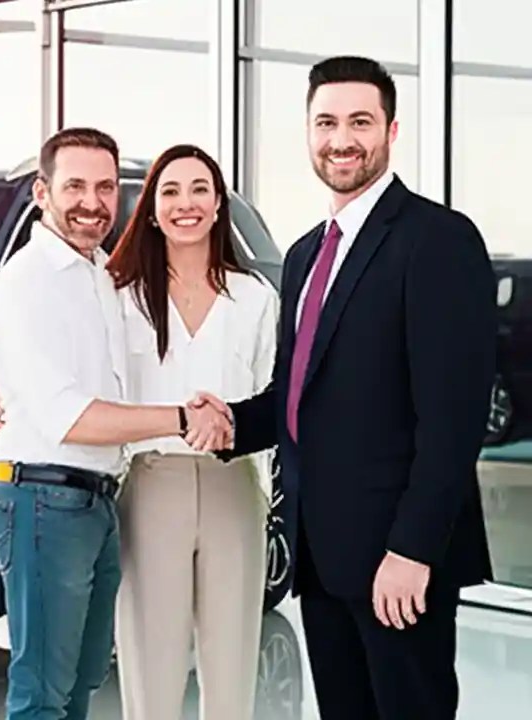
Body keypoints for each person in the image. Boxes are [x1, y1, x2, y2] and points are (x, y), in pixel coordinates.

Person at [192, 56, 496, 720]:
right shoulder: (304, 255)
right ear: (307, 133)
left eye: (360, 121)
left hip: (396, 557)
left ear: (391, 131)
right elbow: (301, 395)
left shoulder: (437, 240)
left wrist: (413, 549)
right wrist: (234, 424)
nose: (341, 139)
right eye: (326, 122)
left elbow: (454, 420)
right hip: (321, 553)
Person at [0, 143, 278, 720]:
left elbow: (271, 399)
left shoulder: (256, 299)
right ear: (152, 208)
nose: (185, 204)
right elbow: (66, 378)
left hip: (232, 484)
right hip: (148, 480)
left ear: (220, 205)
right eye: (169, 191)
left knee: (232, 661)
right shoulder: (120, 292)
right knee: (147, 664)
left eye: (199, 190)